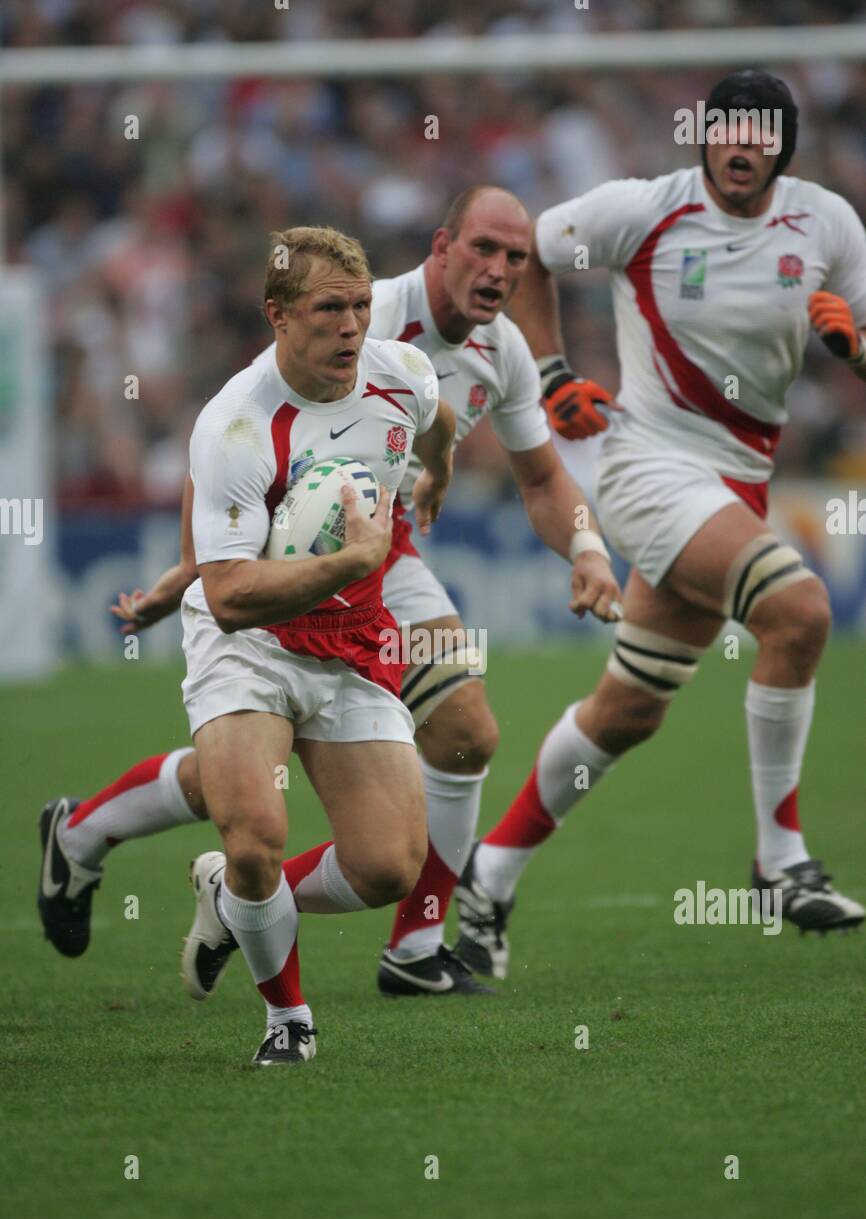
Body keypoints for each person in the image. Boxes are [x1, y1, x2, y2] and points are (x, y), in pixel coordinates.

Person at [38, 188, 622, 1002]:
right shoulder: (363, 313)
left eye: (516, 258)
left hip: (382, 560)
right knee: (244, 785)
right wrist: (190, 572)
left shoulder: (504, 350)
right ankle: (91, 832)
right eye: (484, 249)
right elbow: (238, 430)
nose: (498, 270)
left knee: (462, 732)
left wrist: (587, 547)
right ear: (442, 245)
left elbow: (538, 474)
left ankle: (408, 943)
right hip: (287, 561)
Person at [455, 70, 866, 982]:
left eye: (759, 134)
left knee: (629, 709)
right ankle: (778, 859)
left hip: (738, 487)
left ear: (782, 147)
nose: (739, 146)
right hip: (648, 469)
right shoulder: (644, 211)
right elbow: (527, 251)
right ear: (703, 136)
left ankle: (489, 872)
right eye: (725, 130)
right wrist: (554, 372)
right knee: (798, 613)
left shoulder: (827, 225)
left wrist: (854, 347)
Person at [40, 224, 456, 1065]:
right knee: (256, 833)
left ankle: (98, 839)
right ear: (277, 315)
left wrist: (437, 472)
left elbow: (435, 423)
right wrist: (351, 556)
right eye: (328, 309)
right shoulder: (234, 422)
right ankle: (288, 1022)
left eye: (362, 307)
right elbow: (227, 598)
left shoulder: (401, 374)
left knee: (387, 868)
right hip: (251, 640)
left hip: (352, 634)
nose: (350, 326)